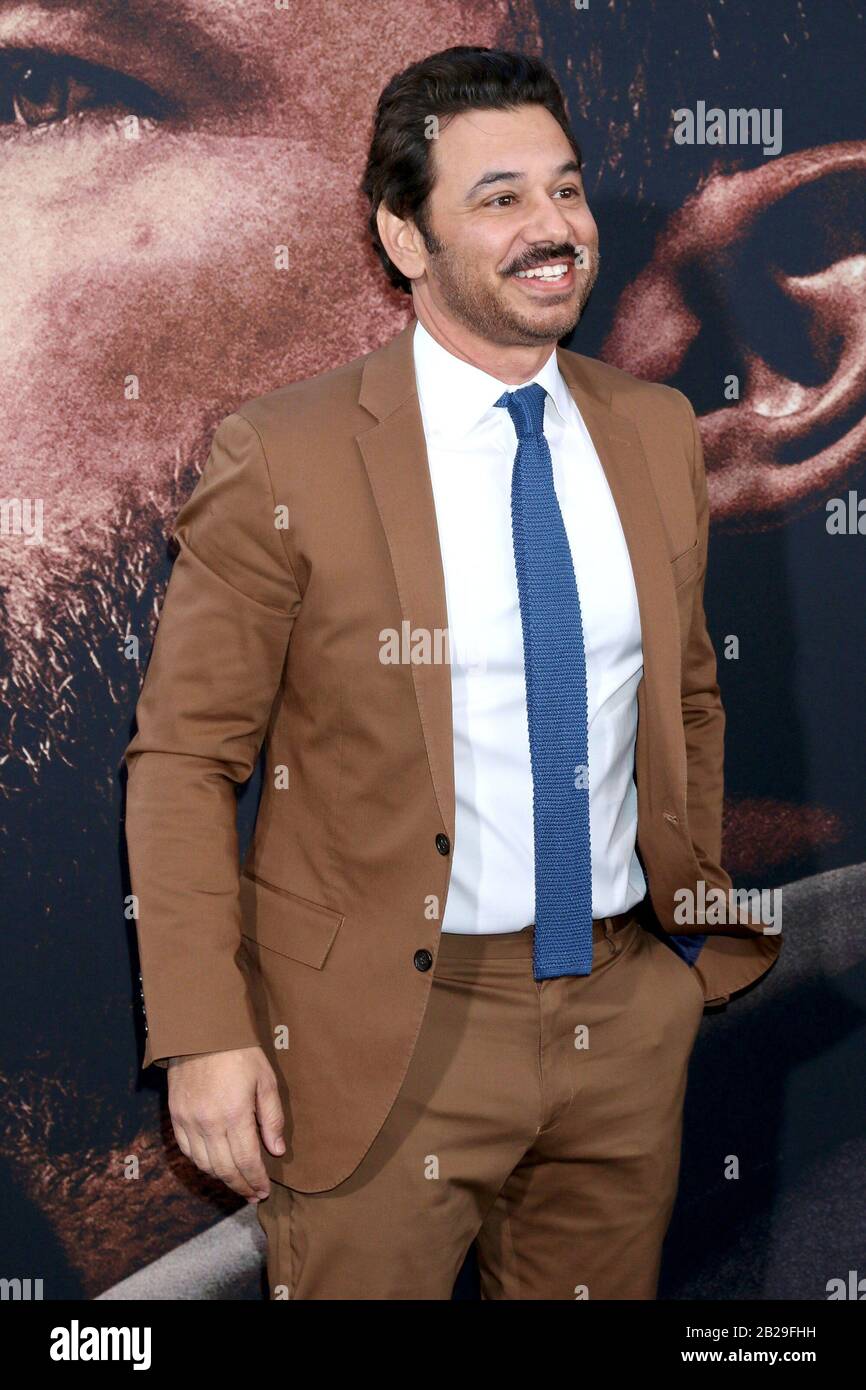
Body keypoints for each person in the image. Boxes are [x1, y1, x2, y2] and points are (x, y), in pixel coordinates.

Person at [123, 46, 782, 1300]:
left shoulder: (647, 432)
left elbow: (684, 695)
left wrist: (680, 943)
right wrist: (206, 1033)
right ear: (402, 236)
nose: (554, 229)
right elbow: (183, 763)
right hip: (382, 1040)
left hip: (618, 1011)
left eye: (567, 189)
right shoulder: (283, 453)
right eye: (499, 199)